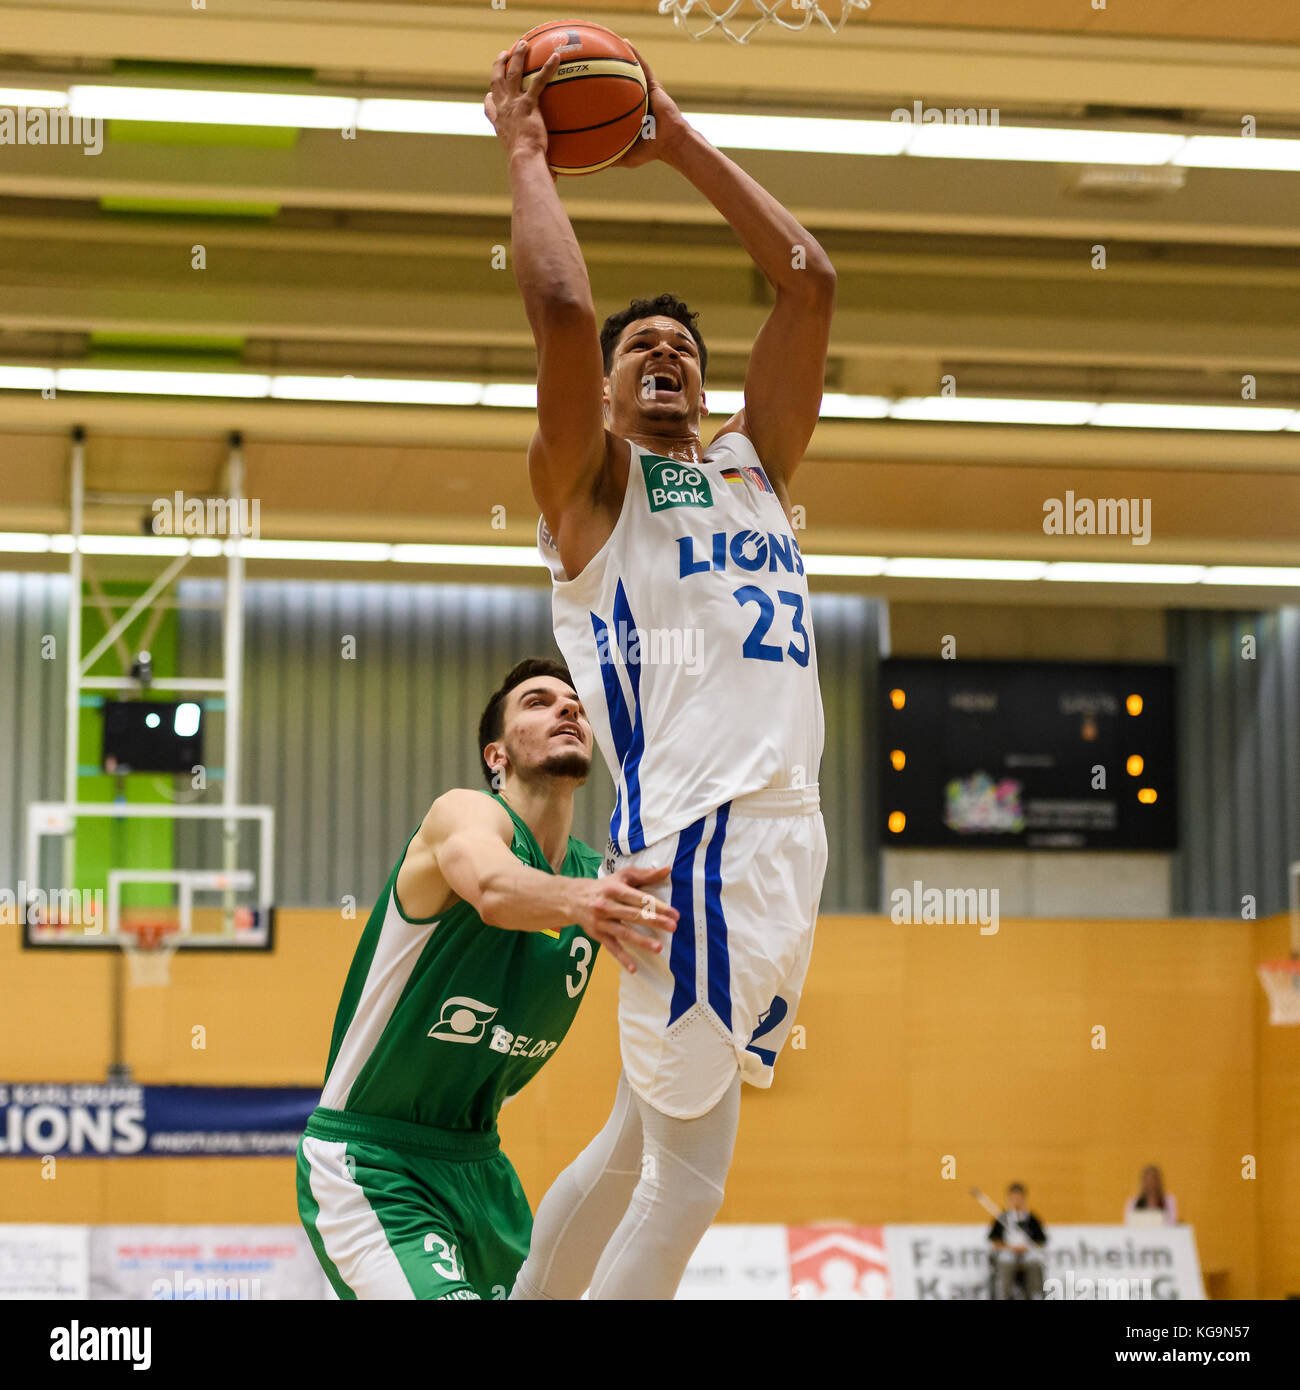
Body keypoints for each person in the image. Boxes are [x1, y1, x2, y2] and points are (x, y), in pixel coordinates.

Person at [485, 37, 834, 1300]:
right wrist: (529, 153)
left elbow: (808, 287)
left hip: (784, 837)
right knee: (687, 1179)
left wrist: (675, 135)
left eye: (679, 345)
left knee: (635, 1153)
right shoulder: (593, 491)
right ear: (609, 391)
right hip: (696, 839)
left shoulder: (752, 469)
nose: (659, 355)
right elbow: (567, 315)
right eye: (639, 351)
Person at [295, 658, 678, 1299]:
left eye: (575, 705)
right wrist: (586, 903)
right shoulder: (463, 815)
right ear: (495, 755)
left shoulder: (600, 870)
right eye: (537, 701)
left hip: (482, 1168)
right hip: (375, 1161)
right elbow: (494, 890)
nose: (567, 710)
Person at [988, 1182, 1048, 1300]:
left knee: (1033, 1261)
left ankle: (1035, 1295)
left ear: (1023, 1198)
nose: (1016, 1200)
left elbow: (1041, 1242)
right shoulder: (1003, 1218)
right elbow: (995, 1243)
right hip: (1009, 1253)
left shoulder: (1031, 1219)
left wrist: (1027, 1247)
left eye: (1018, 1197)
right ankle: (1004, 1295)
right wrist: (1010, 1248)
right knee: (1006, 1260)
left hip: (1027, 1253)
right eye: (1013, 1197)